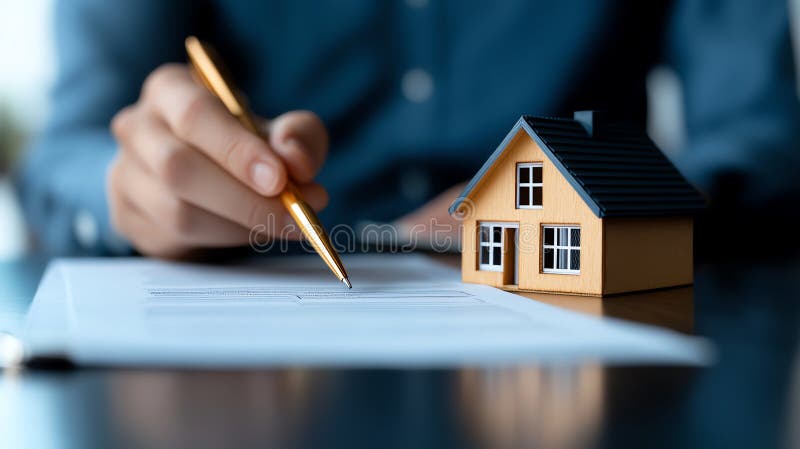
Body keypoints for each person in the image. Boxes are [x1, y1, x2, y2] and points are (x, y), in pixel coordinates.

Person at [15, 0, 800, 258]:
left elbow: (760, 136)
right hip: (244, 318)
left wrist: (619, 212)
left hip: (589, 326)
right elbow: (69, 148)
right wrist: (129, 189)